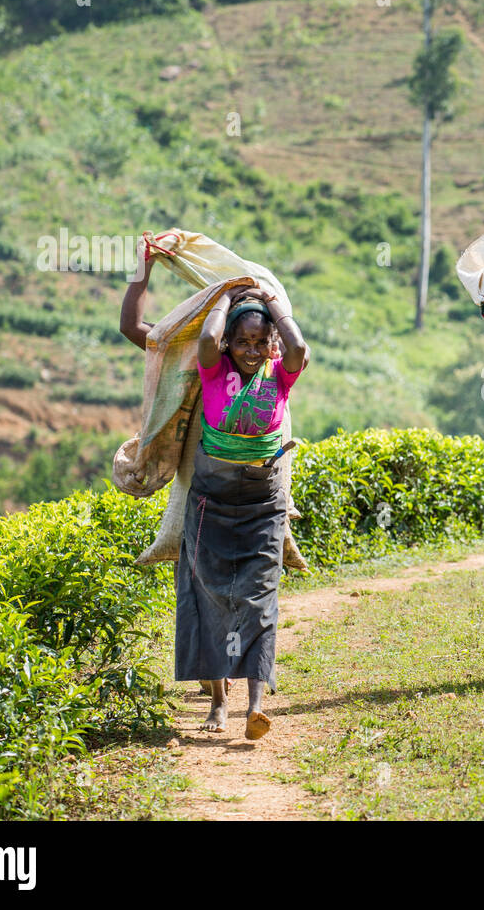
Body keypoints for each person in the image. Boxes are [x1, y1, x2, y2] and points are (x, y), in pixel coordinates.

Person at [176, 283, 308, 738]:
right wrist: (225, 300)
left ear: (271, 342)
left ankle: (254, 705)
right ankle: (217, 701)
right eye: (242, 341)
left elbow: (299, 346)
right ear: (230, 343)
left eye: (260, 342)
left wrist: (272, 304)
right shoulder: (213, 371)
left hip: (263, 501)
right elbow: (207, 341)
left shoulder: (280, 373)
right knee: (209, 595)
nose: (251, 351)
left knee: (258, 597)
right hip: (212, 498)